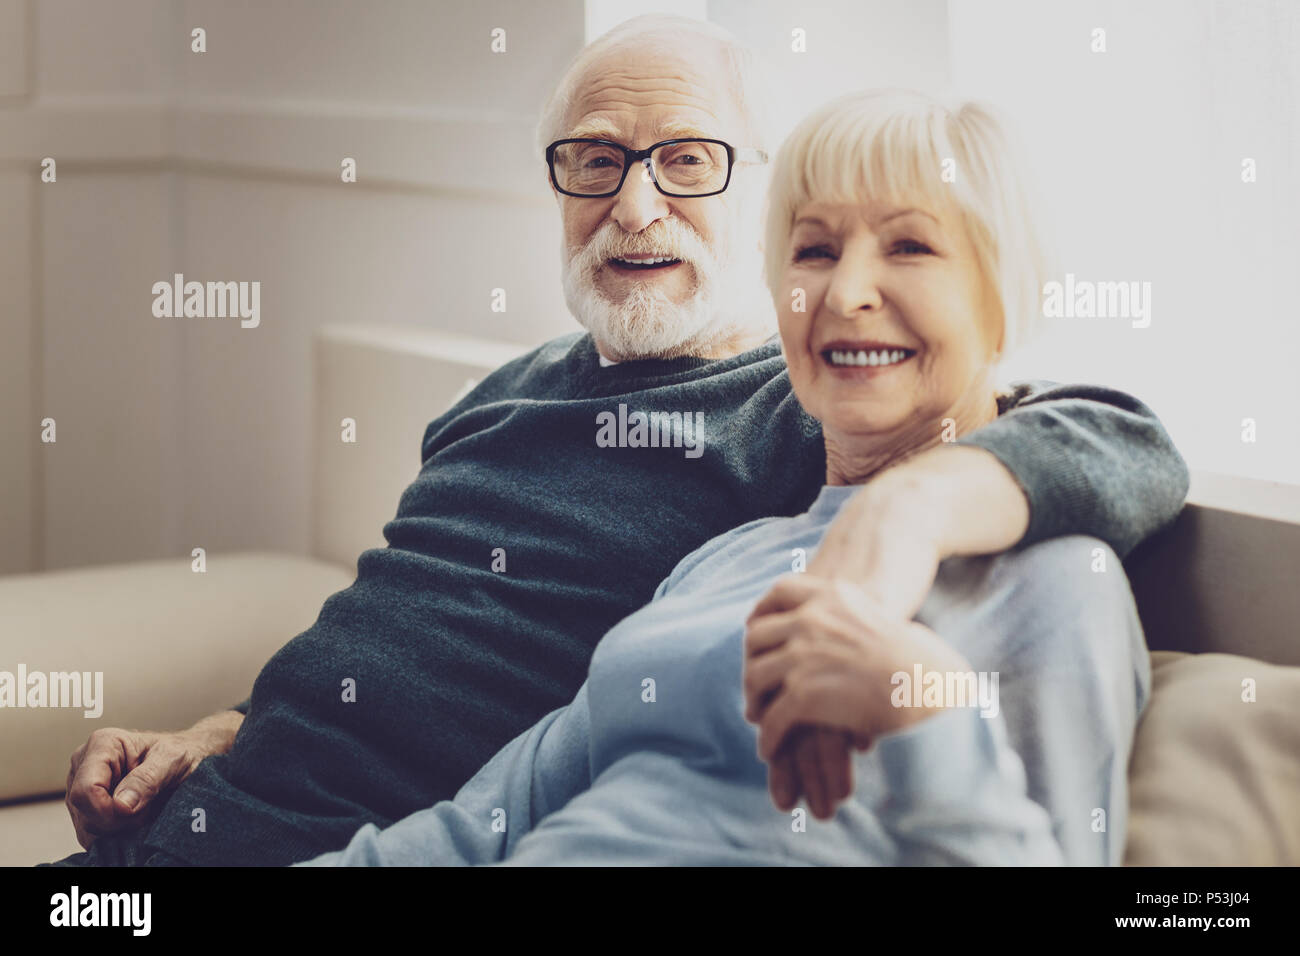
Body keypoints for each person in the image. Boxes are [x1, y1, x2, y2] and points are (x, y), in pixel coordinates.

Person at [49, 17, 1184, 868]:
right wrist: (217, 732)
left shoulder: (797, 414)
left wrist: (910, 512)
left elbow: (1110, 436)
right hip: (191, 825)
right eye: (595, 160)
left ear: (747, 192)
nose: (634, 207)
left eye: (686, 159)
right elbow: (399, 653)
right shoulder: (511, 396)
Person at [300, 88, 1150, 866]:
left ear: (1006, 296)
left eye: (911, 246)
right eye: (814, 250)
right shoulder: (726, 556)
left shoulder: (1057, 581)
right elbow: (483, 823)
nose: (847, 290)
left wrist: (920, 710)